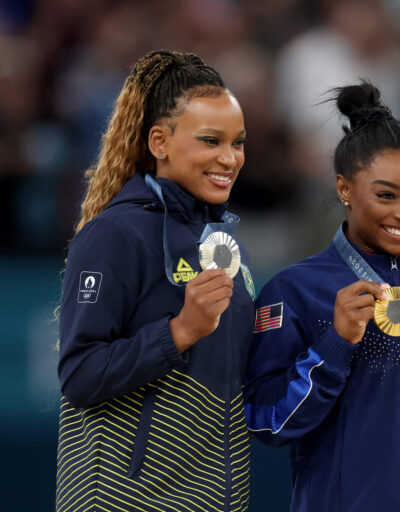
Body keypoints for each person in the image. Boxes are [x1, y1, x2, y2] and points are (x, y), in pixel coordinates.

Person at [244, 82, 400, 512]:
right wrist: (335, 345)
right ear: (345, 189)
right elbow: (266, 422)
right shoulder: (295, 291)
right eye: (386, 195)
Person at [56, 50, 254, 512]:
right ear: (159, 142)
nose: (229, 158)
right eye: (211, 141)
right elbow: (80, 374)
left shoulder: (223, 244)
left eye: (238, 142)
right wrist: (180, 331)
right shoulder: (115, 234)